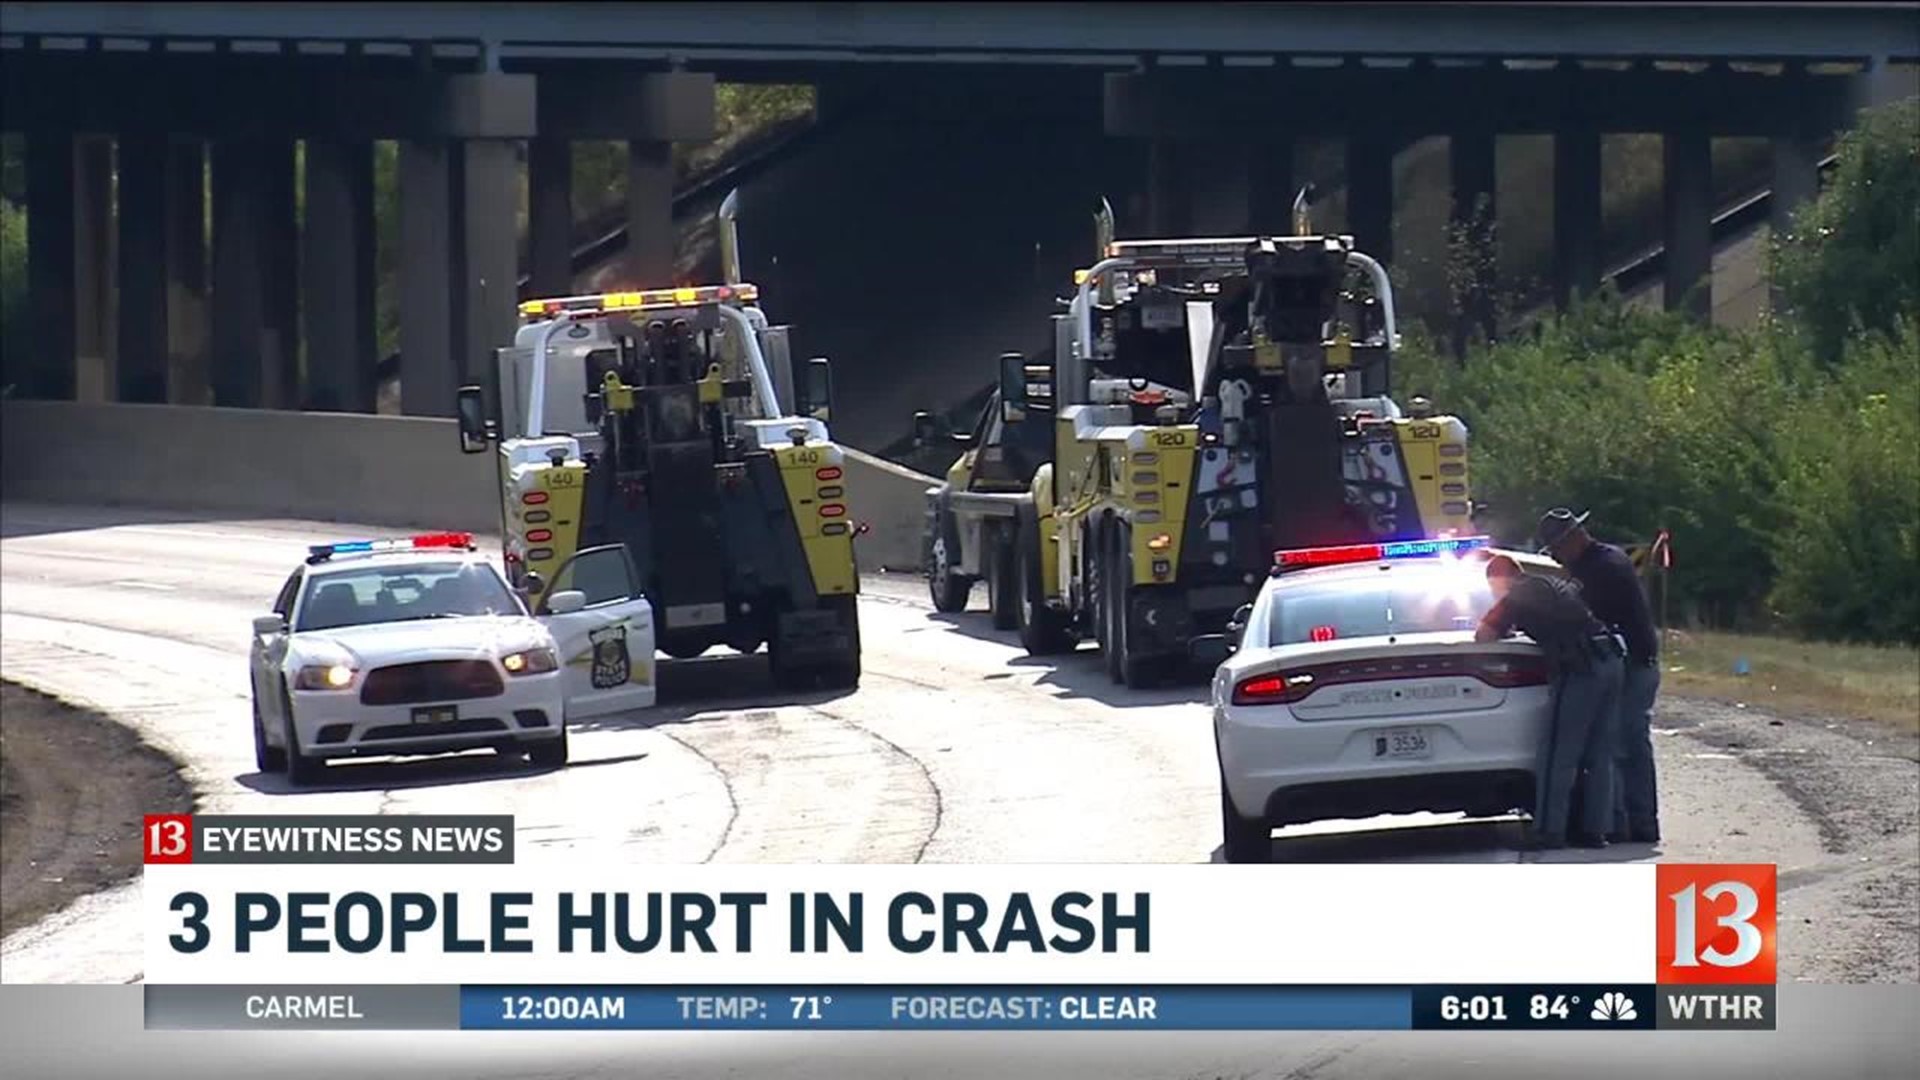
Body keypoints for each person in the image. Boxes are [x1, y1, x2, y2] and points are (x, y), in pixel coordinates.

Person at [1475, 554, 1625, 850]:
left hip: (1581, 669)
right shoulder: (1554, 583)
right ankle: (1595, 831)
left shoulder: (1516, 596)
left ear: (1499, 579)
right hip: (1611, 660)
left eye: (1494, 588)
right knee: (1599, 754)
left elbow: (1483, 635)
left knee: (1558, 753)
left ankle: (1549, 831)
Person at [1536, 508, 1662, 845]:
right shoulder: (1604, 561)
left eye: (1558, 549)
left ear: (1573, 538)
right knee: (1620, 744)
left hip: (1634, 664)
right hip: (1631, 661)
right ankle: (1627, 823)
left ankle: (1639, 823)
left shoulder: (1600, 568)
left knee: (1627, 744)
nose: (1558, 557)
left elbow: (1578, 614)